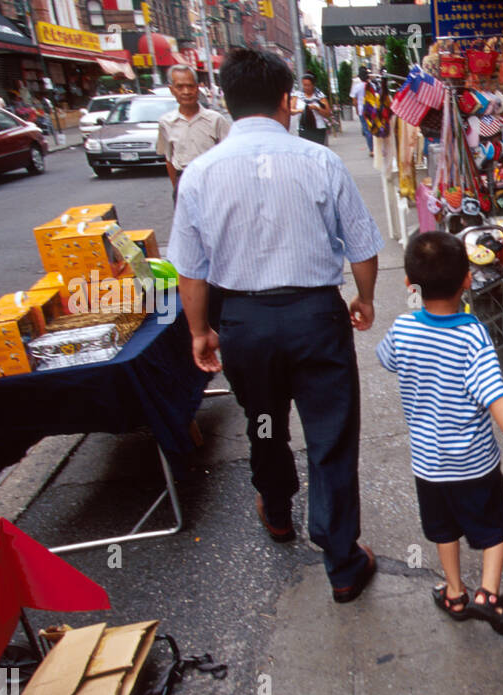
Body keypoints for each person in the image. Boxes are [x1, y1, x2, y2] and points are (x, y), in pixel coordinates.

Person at [167, 47, 384, 604]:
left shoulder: (199, 174)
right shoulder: (320, 161)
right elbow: (361, 246)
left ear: (225, 100)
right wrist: (363, 298)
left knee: (263, 421)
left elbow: (189, 272)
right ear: (288, 101)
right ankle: (341, 562)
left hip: (245, 321)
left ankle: (278, 509)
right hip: (315, 317)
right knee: (330, 435)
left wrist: (199, 331)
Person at [376, 232, 503, 637]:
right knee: (493, 527)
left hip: (429, 465)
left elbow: (384, 358)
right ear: (468, 280)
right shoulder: (473, 336)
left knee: (444, 529)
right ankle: (488, 594)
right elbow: (495, 397)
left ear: (409, 284)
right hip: (474, 462)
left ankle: (454, 592)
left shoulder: (403, 329)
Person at [157, 64, 231, 202]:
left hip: (212, 181)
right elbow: (169, 159)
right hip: (183, 180)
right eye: (180, 87)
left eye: (190, 86)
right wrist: (177, 188)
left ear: (197, 88)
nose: (186, 91)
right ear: (172, 90)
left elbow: (229, 157)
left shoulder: (215, 120)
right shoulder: (166, 122)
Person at [294, 73, 331, 146]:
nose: (306, 87)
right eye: (304, 85)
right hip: (304, 127)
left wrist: (317, 108)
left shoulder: (320, 96)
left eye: (308, 85)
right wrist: (300, 110)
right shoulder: (297, 95)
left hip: (318, 127)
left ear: (313, 85)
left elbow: (327, 113)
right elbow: (290, 110)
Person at [350, 66, 372, 157]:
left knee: (367, 130)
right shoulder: (372, 85)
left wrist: (356, 110)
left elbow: (354, 100)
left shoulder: (357, 87)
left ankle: (372, 149)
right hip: (371, 109)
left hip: (362, 109)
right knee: (373, 128)